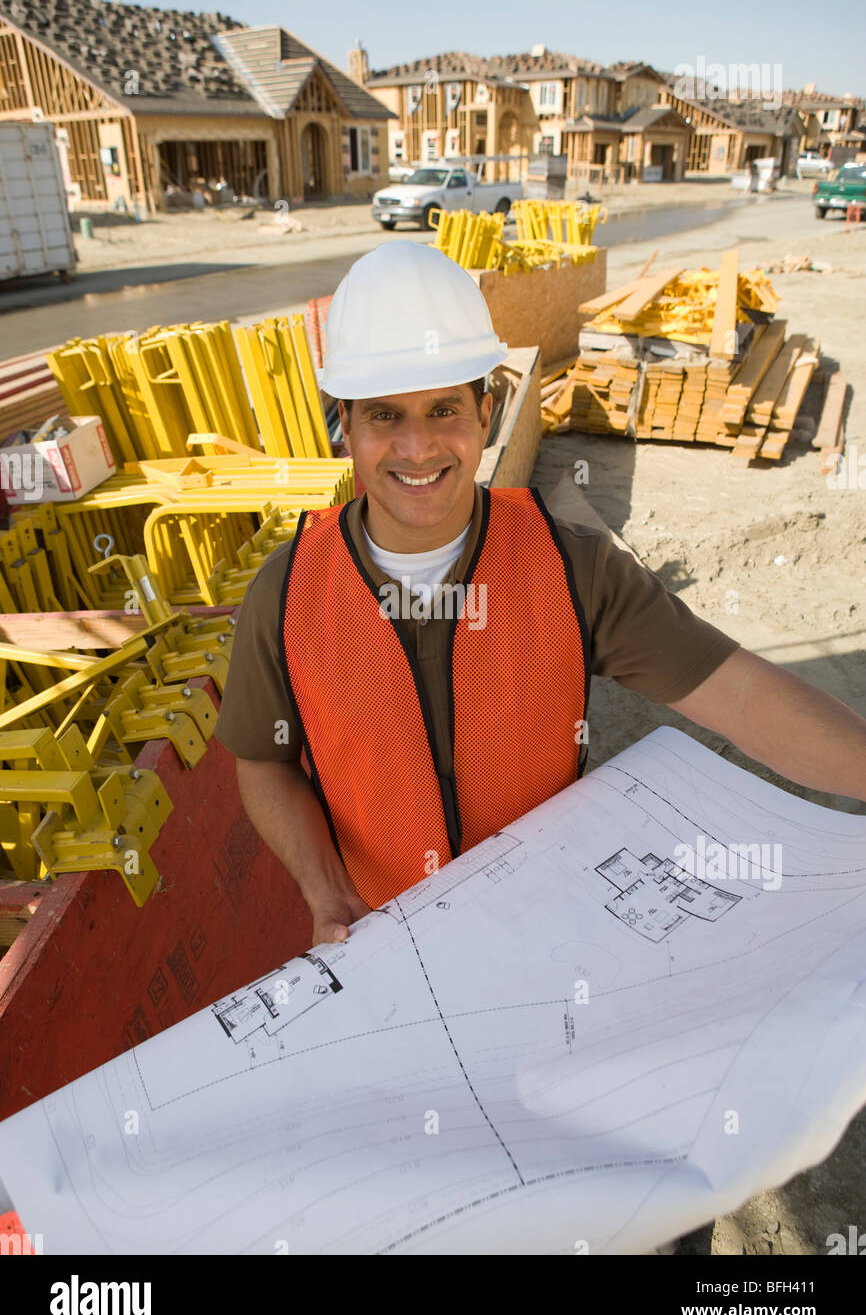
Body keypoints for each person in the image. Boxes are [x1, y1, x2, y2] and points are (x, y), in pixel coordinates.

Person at [214, 241, 866, 946]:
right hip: (389, 948)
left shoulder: (573, 570)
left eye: (443, 410)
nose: (417, 448)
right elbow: (264, 760)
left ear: (486, 410)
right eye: (383, 415)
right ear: (344, 423)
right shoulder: (286, 595)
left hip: (549, 936)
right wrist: (327, 890)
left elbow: (741, 696)